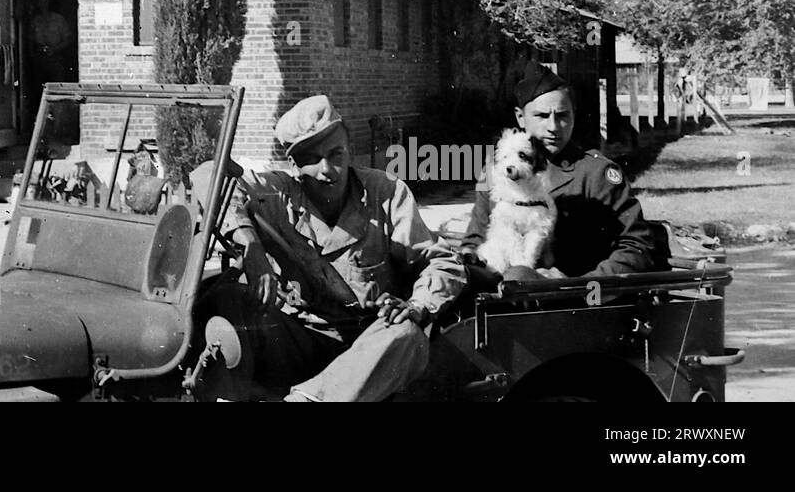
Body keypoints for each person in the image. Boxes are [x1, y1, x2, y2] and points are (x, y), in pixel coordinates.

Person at [222, 95, 465, 402]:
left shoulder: (386, 193)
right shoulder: (278, 194)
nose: (328, 170)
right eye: (312, 158)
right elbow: (212, 179)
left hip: (367, 344)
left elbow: (441, 261)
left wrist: (417, 304)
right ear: (295, 165)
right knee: (229, 297)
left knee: (406, 335)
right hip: (302, 334)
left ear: (349, 148)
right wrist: (252, 249)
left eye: (336, 153)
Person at [462, 66, 667, 278]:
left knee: (520, 277)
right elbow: (474, 240)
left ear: (574, 116)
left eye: (562, 115)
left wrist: (584, 286)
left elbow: (636, 245)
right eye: (541, 115)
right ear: (520, 118)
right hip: (503, 290)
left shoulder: (596, 173)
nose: (553, 126)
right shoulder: (495, 172)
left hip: (572, 297)